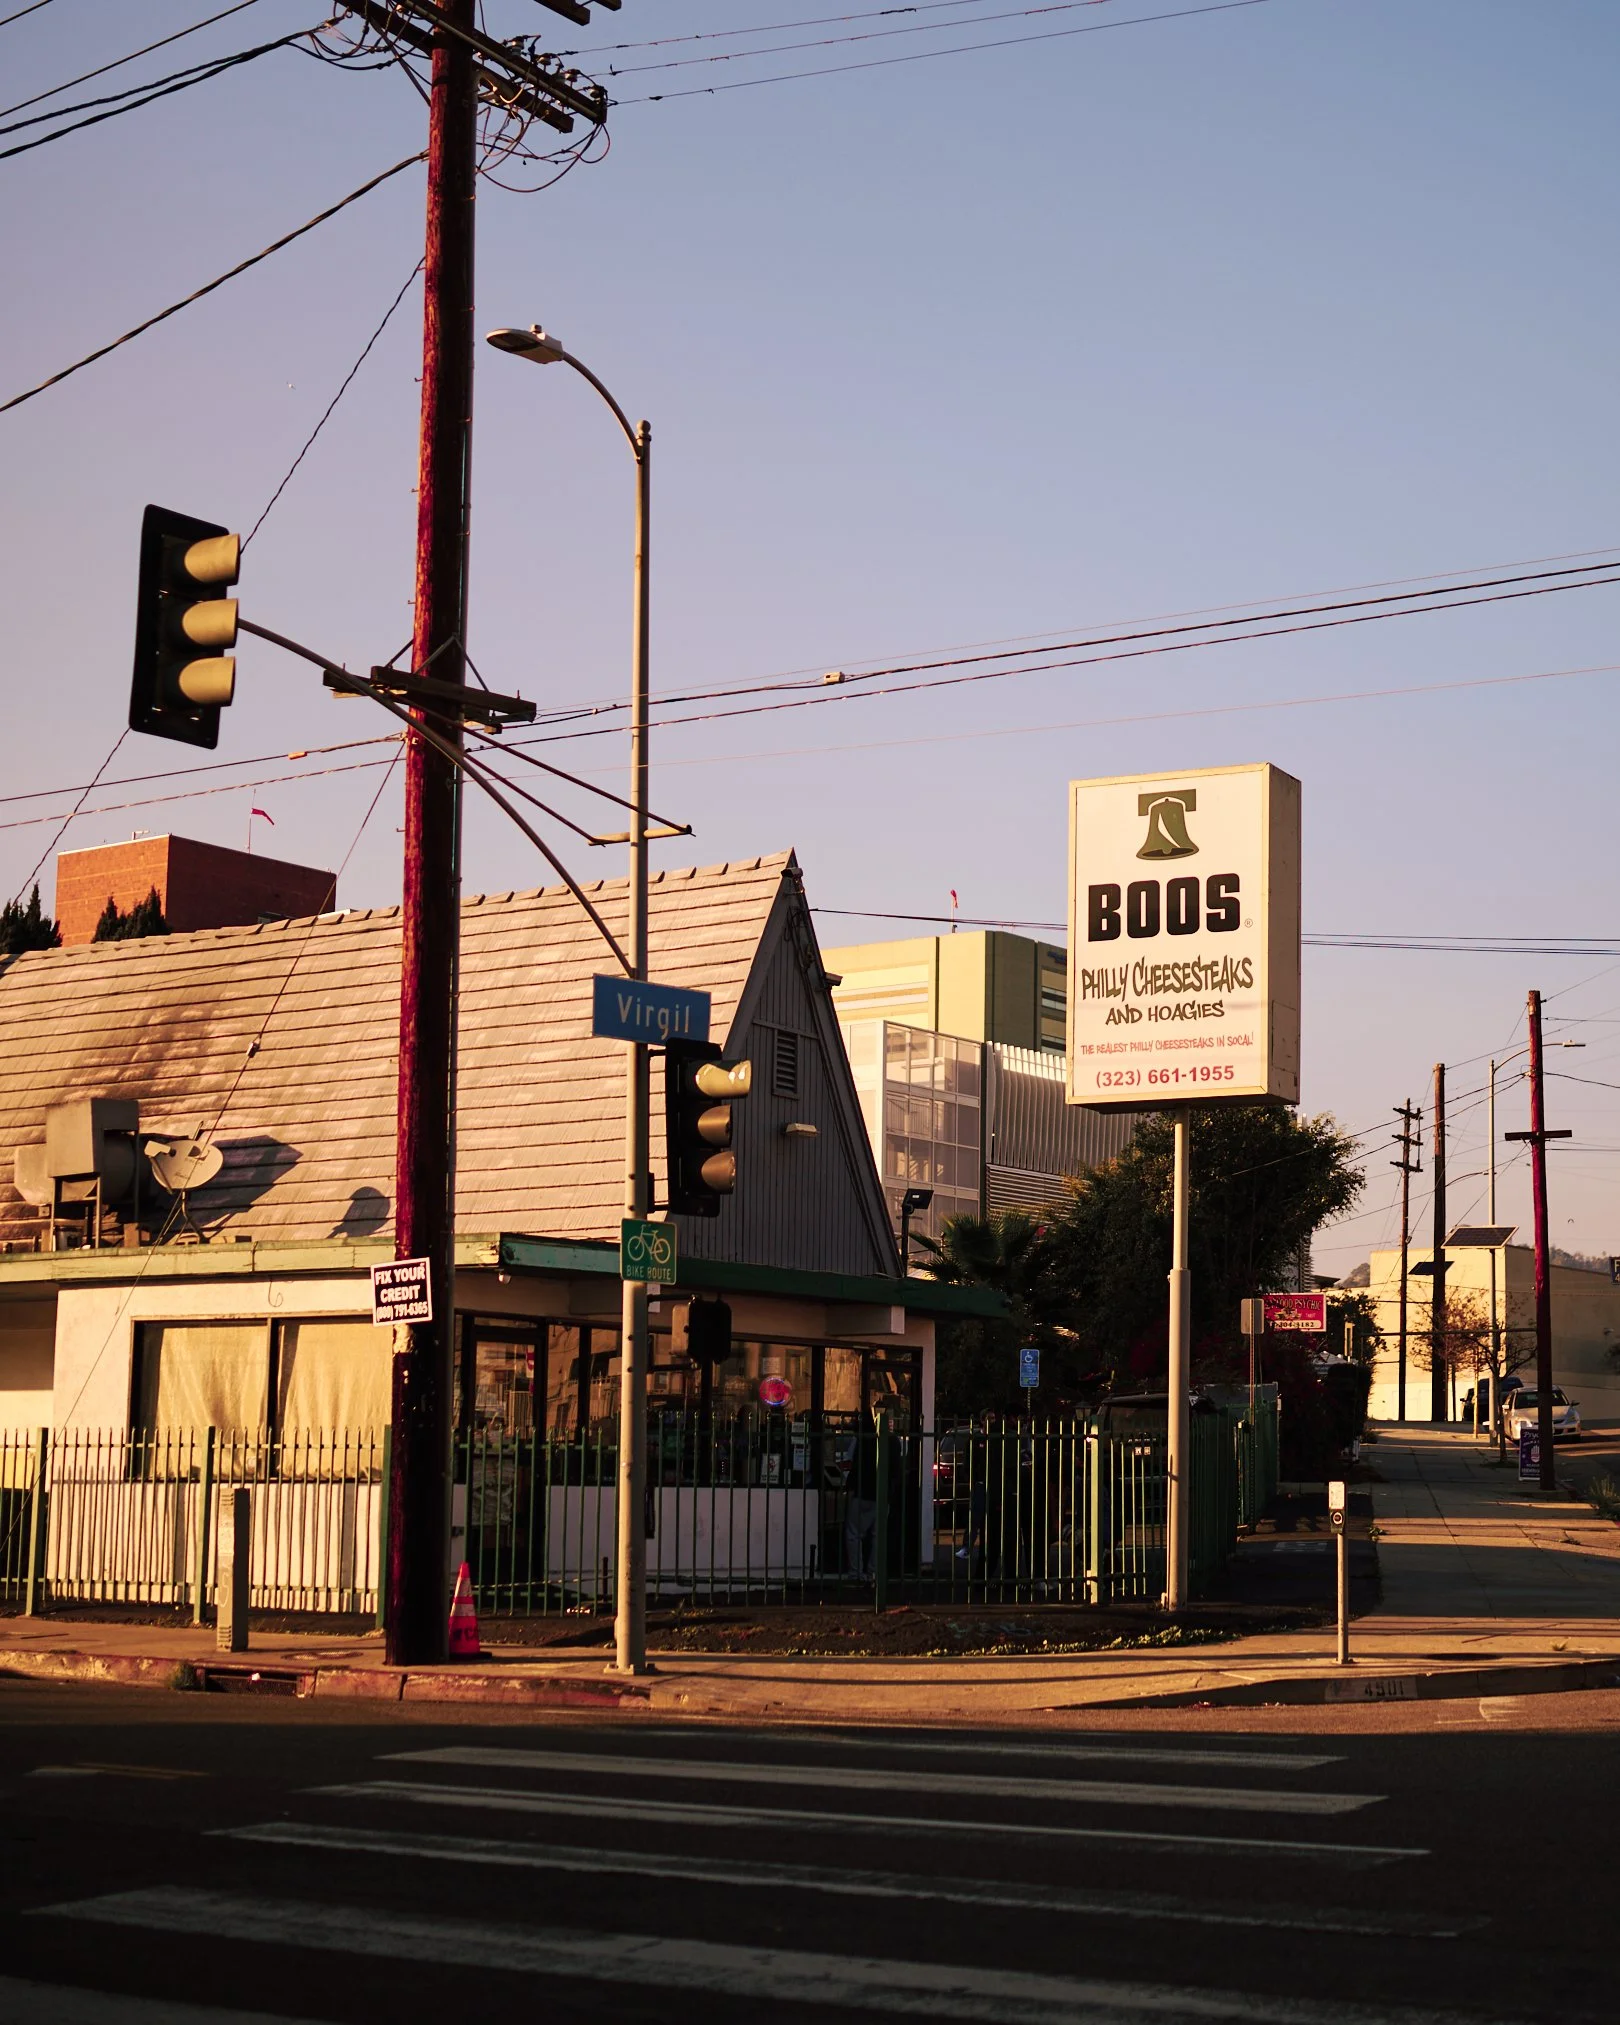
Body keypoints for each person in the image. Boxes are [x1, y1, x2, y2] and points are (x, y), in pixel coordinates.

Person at [842, 1424, 880, 1580]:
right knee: (878, 1535)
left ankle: (856, 1572)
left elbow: (852, 1465)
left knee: (853, 1533)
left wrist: (850, 1487)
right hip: (881, 1494)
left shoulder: (859, 1441)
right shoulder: (889, 1441)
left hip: (862, 1493)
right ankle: (873, 1572)